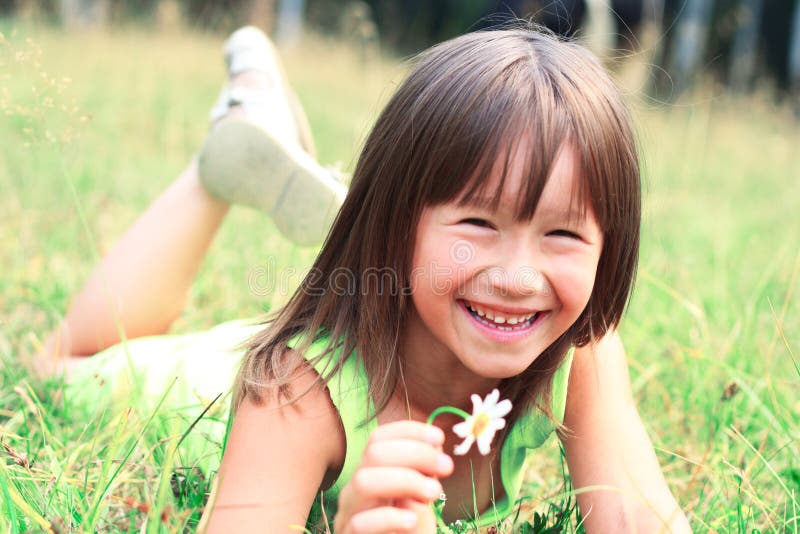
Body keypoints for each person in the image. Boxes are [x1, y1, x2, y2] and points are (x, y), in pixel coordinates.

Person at [39, 24, 691, 533]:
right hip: (198, 382)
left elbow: (635, 517)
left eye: (563, 234)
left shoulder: (579, 350)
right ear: (397, 224)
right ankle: (223, 160)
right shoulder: (294, 396)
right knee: (57, 366)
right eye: (477, 222)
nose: (520, 278)